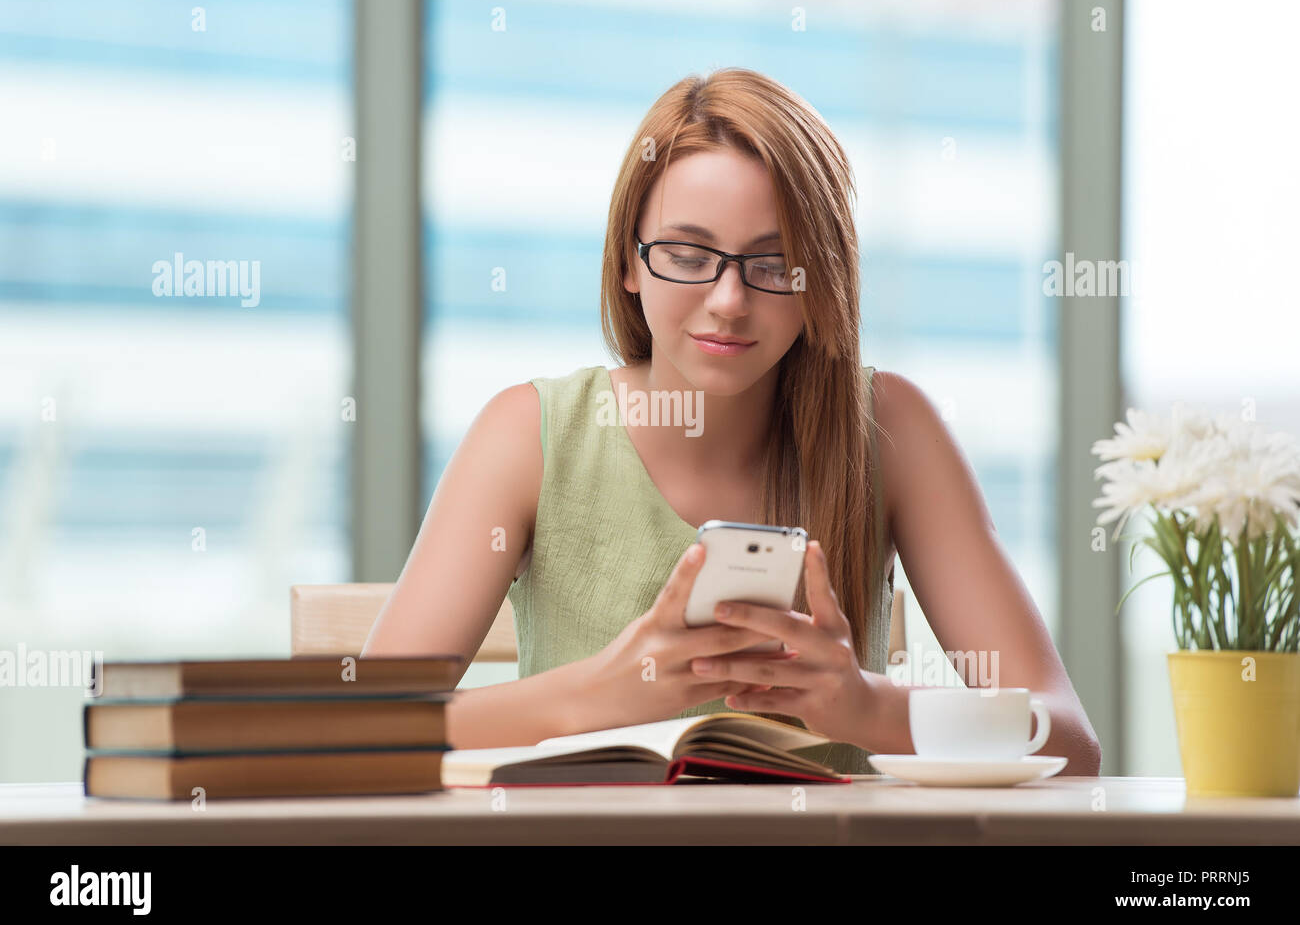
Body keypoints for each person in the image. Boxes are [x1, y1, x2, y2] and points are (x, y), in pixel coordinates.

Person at [363, 67, 1101, 776]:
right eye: (687, 254)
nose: (728, 300)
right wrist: (605, 690)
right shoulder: (529, 434)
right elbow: (367, 723)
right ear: (630, 260)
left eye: (775, 264)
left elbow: (1067, 738)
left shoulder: (890, 428)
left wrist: (864, 707)